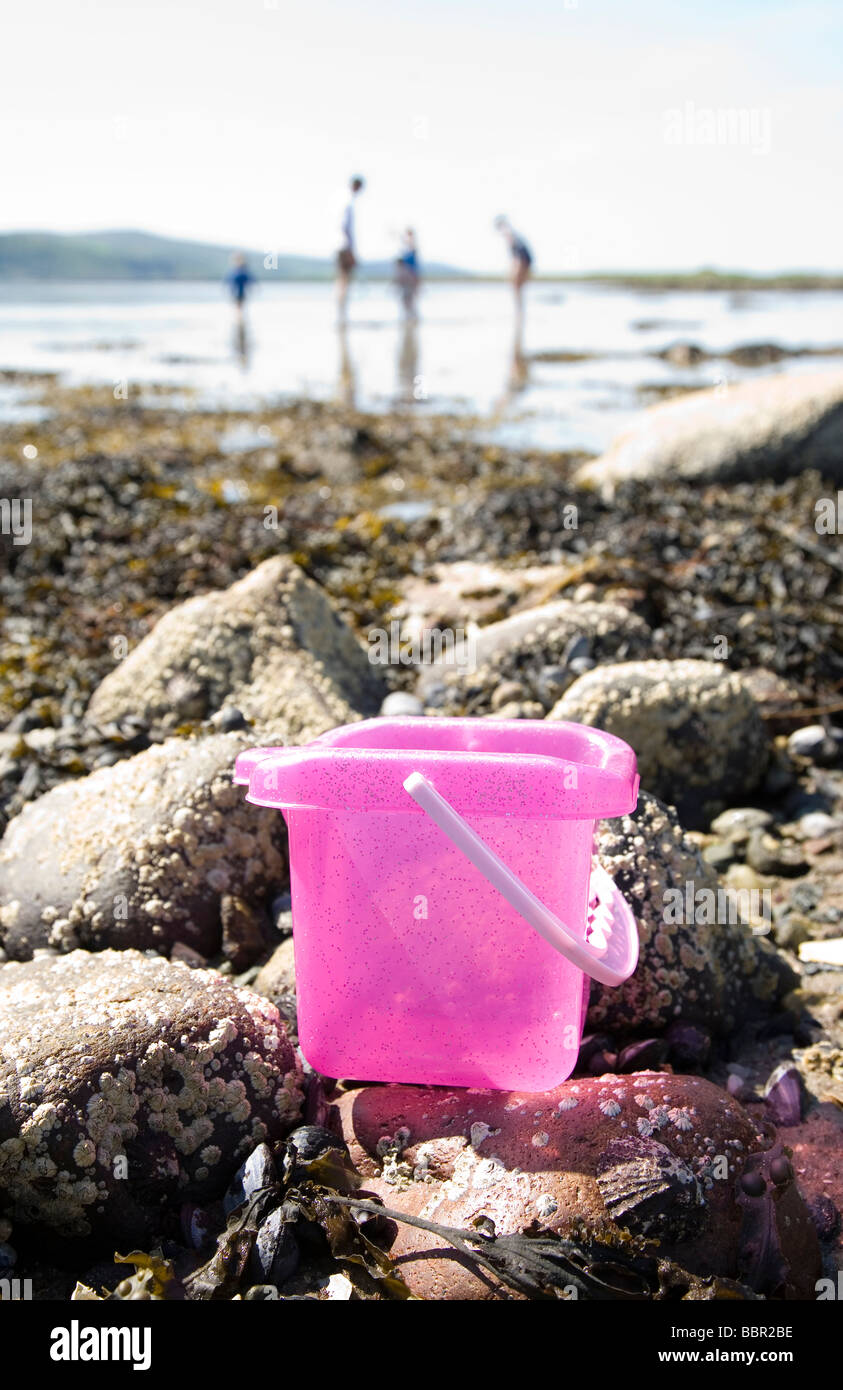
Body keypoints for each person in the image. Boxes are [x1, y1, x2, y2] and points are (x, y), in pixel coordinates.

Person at [337, 175, 365, 322]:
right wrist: (349, 250)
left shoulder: (342, 200)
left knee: (343, 280)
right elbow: (344, 227)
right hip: (344, 247)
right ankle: (342, 316)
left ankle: (342, 315)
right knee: (344, 281)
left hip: (341, 246)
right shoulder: (347, 202)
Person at [494, 215, 533, 313]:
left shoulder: (510, 234)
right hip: (525, 260)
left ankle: (519, 310)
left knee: (516, 286)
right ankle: (519, 310)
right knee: (517, 286)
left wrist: (515, 269)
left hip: (523, 260)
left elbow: (517, 255)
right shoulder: (512, 234)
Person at [394, 227, 420, 319]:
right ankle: (409, 319)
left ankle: (412, 319)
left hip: (410, 278)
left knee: (410, 300)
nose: (408, 237)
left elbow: (414, 266)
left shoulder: (412, 249)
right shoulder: (407, 249)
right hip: (406, 279)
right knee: (406, 300)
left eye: (409, 235)